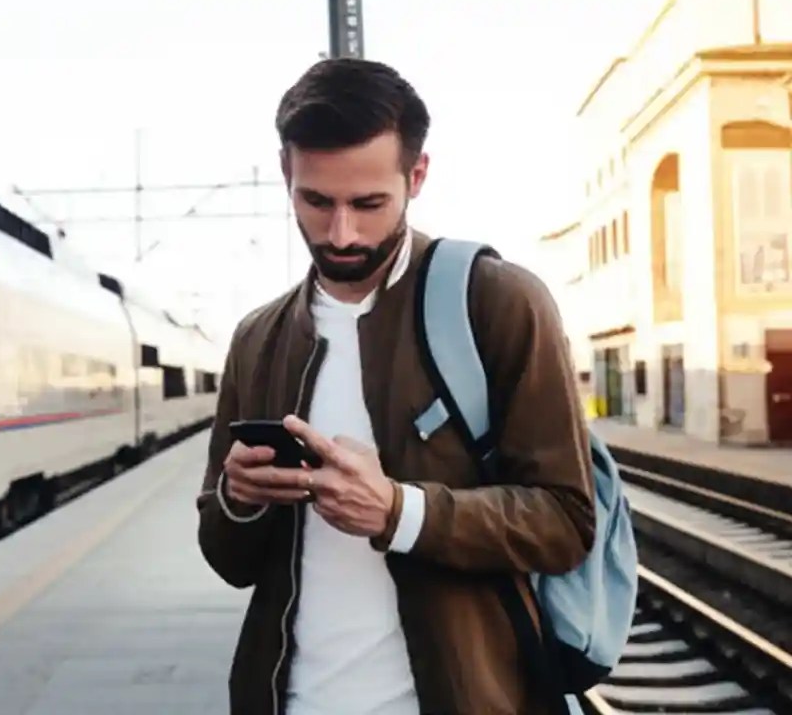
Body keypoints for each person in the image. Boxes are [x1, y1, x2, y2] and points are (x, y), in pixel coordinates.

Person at [195, 57, 596, 715]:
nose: (341, 233)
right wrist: (238, 497)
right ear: (285, 174)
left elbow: (565, 522)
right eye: (316, 201)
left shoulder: (496, 302)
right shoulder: (258, 338)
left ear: (417, 177)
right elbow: (228, 560)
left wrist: (399, 512)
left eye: (368, 203)